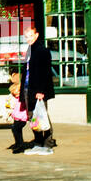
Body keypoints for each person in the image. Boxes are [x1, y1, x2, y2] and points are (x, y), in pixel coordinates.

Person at [21, 24, 56, 155]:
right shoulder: (29, 51)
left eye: (30, 36)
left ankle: (47, 143)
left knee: (42, 115)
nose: (28, 39)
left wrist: (41, 91)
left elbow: (45, 72)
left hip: (38, 91)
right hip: (28, 89)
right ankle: (38, 142)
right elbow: (26, 72)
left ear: (36, 35)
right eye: (26, 36)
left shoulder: (42, 51)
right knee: (32, 117)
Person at [5, 76, 29, 153]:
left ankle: (20, 145)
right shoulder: (16, 98)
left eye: (16, 93)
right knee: (16, 130)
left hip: (22, 118)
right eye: (14, 94)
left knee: (16, 129)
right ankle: (18, 143)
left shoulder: (22, 98)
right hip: (18, 117)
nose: (15, 95)